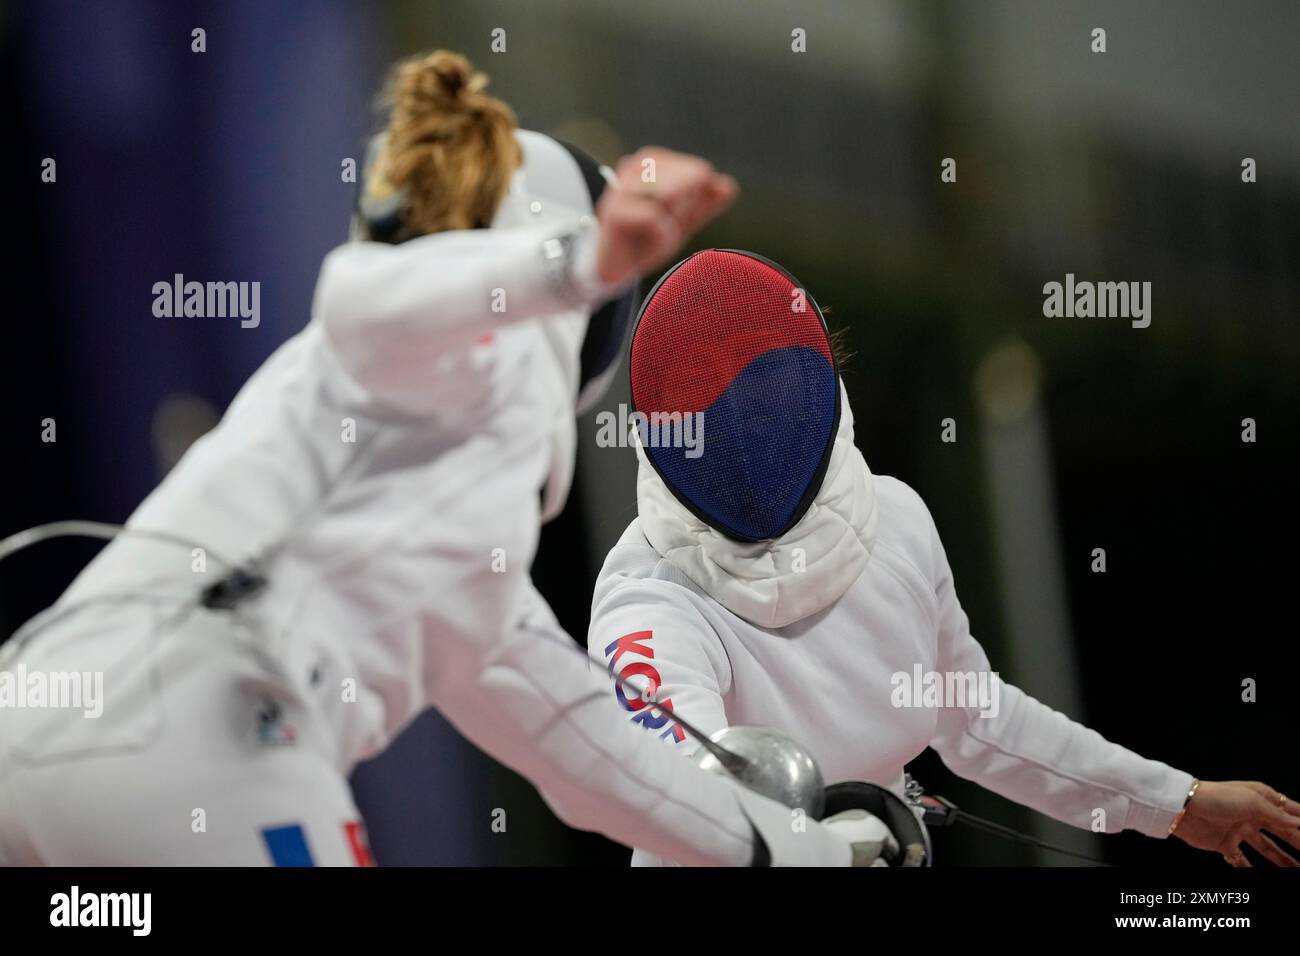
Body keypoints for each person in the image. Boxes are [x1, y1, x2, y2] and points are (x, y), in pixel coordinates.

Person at [0, 52, 868, 867]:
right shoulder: (398, 363)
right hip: (206, 743)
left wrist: (803, 850)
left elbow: (593, 752)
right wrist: (581, 263)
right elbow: (361, 296)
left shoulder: (473, 563)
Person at [587, 247, 1300, 867]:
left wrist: (1174, 802)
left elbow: (974, 717)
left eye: (756, 370)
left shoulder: (893, 522)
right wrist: (836, 843)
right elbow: (681, 789)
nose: (736, 408)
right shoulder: (648, 600)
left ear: (810, 374)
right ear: (660, 424)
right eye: (700, 384)